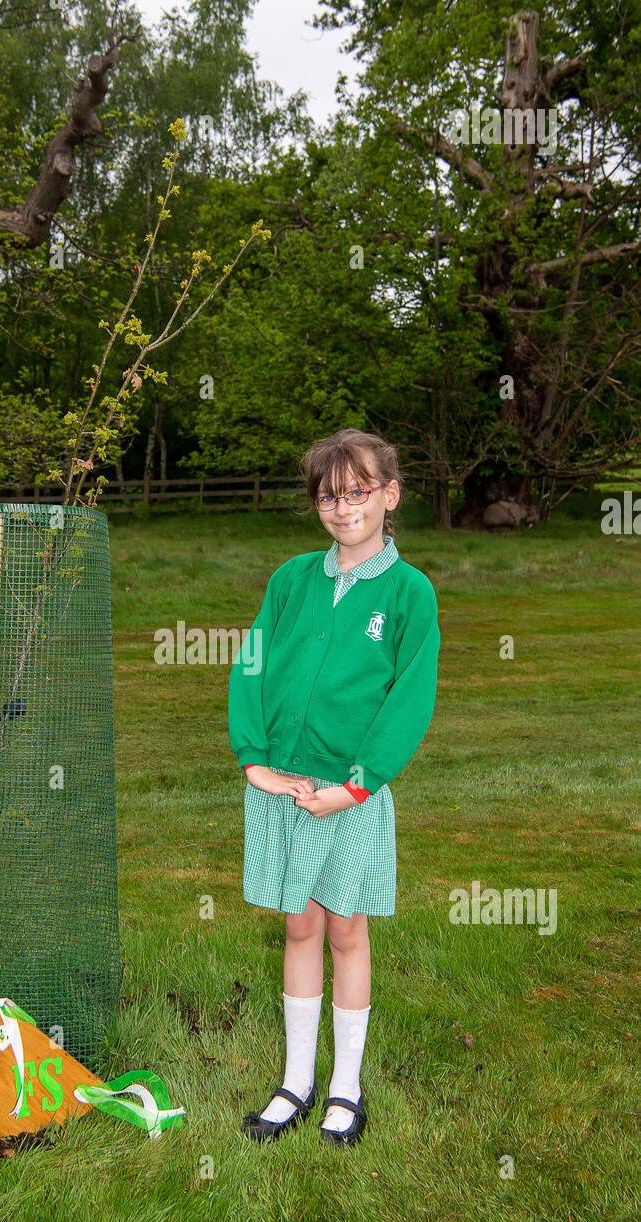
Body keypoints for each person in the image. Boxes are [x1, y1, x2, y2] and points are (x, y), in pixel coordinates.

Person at [227, 428, 440, 1146]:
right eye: (329, 494)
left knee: (345, 928)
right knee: (299, 924)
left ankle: (345, 1087)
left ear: (390, 495)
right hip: (282, 784)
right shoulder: (291, 579)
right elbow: (251, 659)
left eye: (358, 492)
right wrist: (254, 759)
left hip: (350, 790)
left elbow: (410, 698)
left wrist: (358, 785)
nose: (343, 507)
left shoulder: (410, 593)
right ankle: (296, 1080)